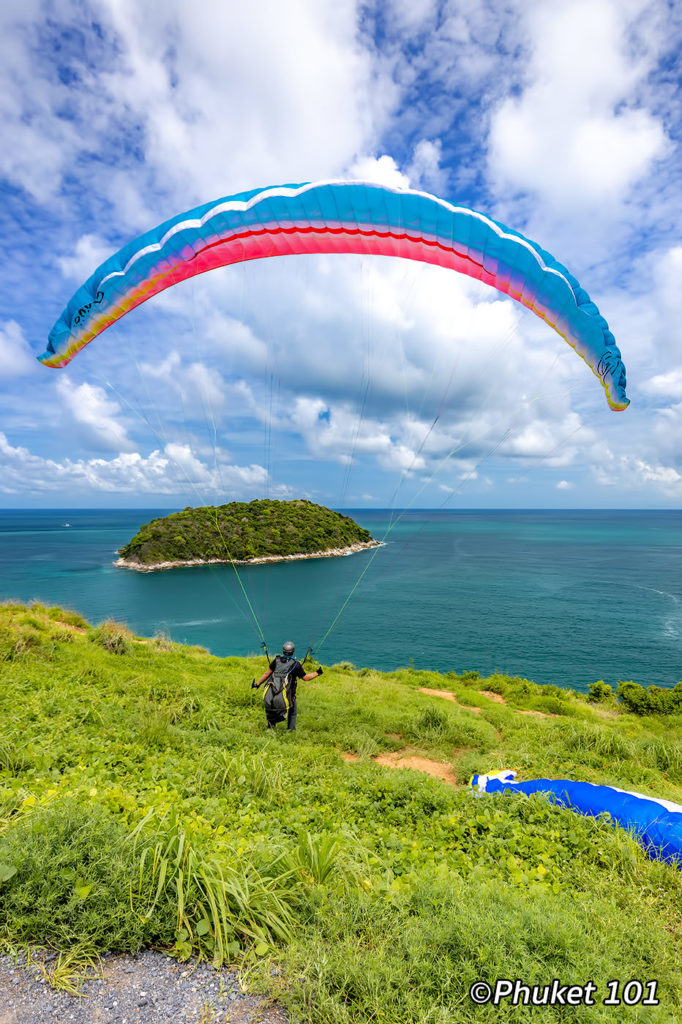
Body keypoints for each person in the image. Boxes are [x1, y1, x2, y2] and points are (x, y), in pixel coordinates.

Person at [252, 641, 322, 731]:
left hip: (273, 692)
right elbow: (306, 678)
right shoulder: (296, 664)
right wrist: (317, 673)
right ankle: (291, 730)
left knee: (272, 708)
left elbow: (266, 674)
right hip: (289, 695)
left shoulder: (276, 661)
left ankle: (270, 729)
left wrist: (257, 684)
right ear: (293, 652)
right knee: (293, 712)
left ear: (283, 651)